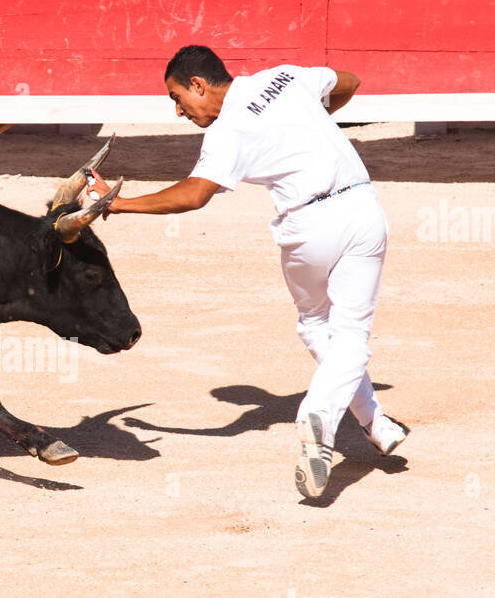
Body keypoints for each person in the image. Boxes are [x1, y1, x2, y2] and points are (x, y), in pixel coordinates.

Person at [87, 44, 407, 499]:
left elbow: (195, 194)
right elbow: (350, 81)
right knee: (351, 333)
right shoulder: (285, 77)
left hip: (309, 225)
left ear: (198, 84)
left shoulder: (228, 131)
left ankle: (320, 415)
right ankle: (375, 424)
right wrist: (313, 119)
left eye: (178, 97)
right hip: (362, 206)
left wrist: (118, 202)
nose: (179, 111)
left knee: (317, 324)